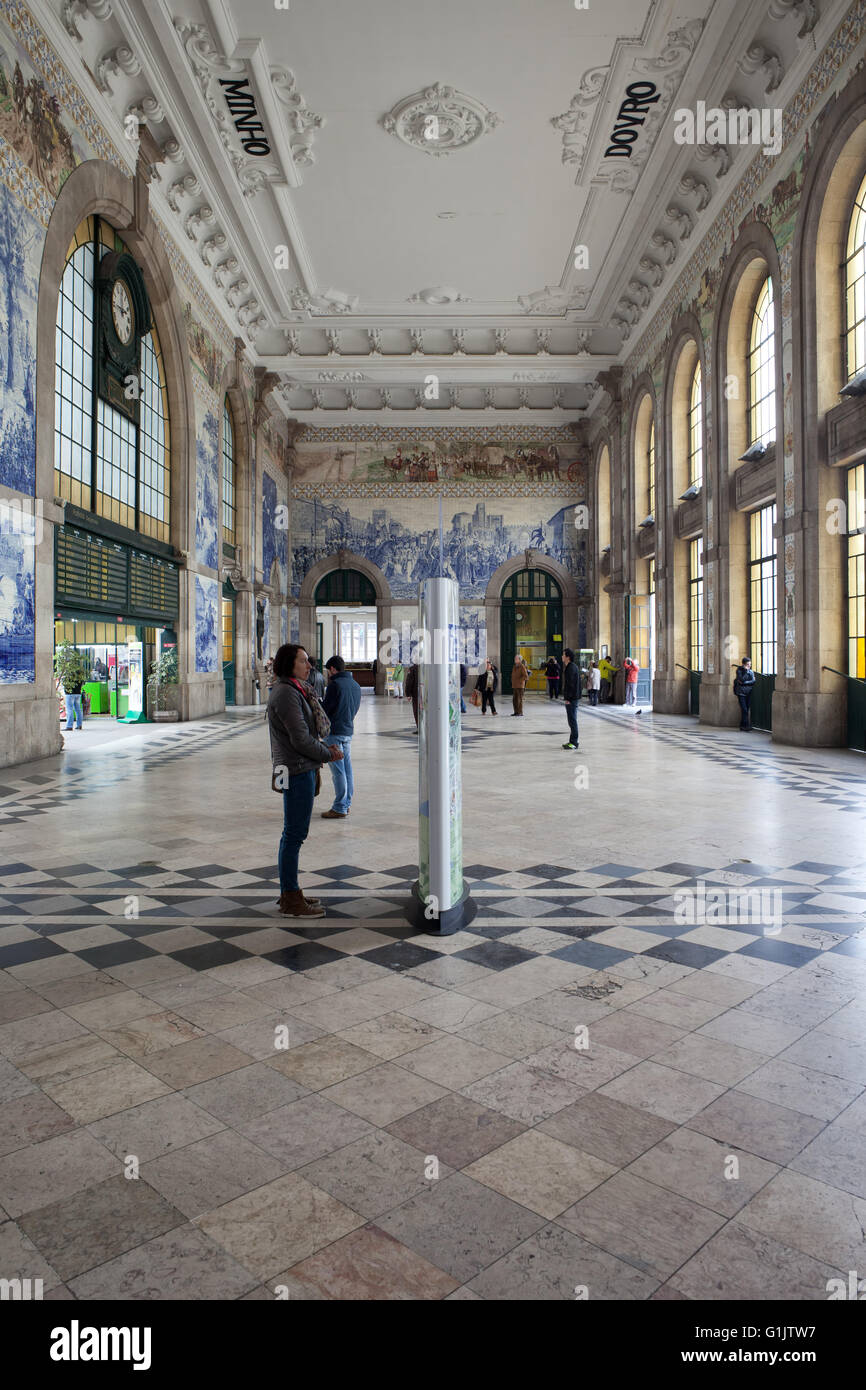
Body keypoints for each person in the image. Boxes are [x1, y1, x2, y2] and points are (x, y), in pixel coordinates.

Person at [267, 643, 344, 919]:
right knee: (294, 834)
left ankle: (290, 891)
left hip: (300, 767)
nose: (309, 665)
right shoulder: (287, 693)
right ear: (289, 664)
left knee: (293, 833)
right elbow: (299, 738)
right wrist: (328, 753)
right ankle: (290, 898)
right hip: (296, 769)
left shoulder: (296, 689)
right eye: (303, 661)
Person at [321, 655, 361, 818]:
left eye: (327, 671)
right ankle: (347, 803)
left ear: (332, 669)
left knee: (338, 771)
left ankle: (339, 807)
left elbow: (326, 710)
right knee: (347, 769)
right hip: (347, 730)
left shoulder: (335, 685)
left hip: (334, 732)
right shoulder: (355, 685)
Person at [561, 647, 581, 749]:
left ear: (567, 657)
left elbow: (571, 685)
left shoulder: (570, 668)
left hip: (572, 699)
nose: (562, 656)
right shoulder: (572, 667)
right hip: (573, 698)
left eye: (563, 655)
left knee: (572, 720)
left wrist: (568, 698)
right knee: (572, 720)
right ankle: (572, 741)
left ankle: (574, 743)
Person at [733, 655, 756, 731]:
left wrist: (745, 682)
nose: (749, 666)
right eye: (747, 665)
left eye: (750, 664)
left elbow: (753, 681)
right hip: (741, 693)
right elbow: (741, 680)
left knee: (746, 709)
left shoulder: (751, 672)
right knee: (744, 709)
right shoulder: (739, 671)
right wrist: (745, 672)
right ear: (743, 664)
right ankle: (746, 726)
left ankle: (742, 725)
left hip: (749, 692)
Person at [404, 662, 420, 728]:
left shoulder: (412, 669)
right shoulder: (427, 668)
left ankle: (419, 728)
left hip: (416, 694)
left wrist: (408, 694)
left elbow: (409, 682)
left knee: (416, 711)